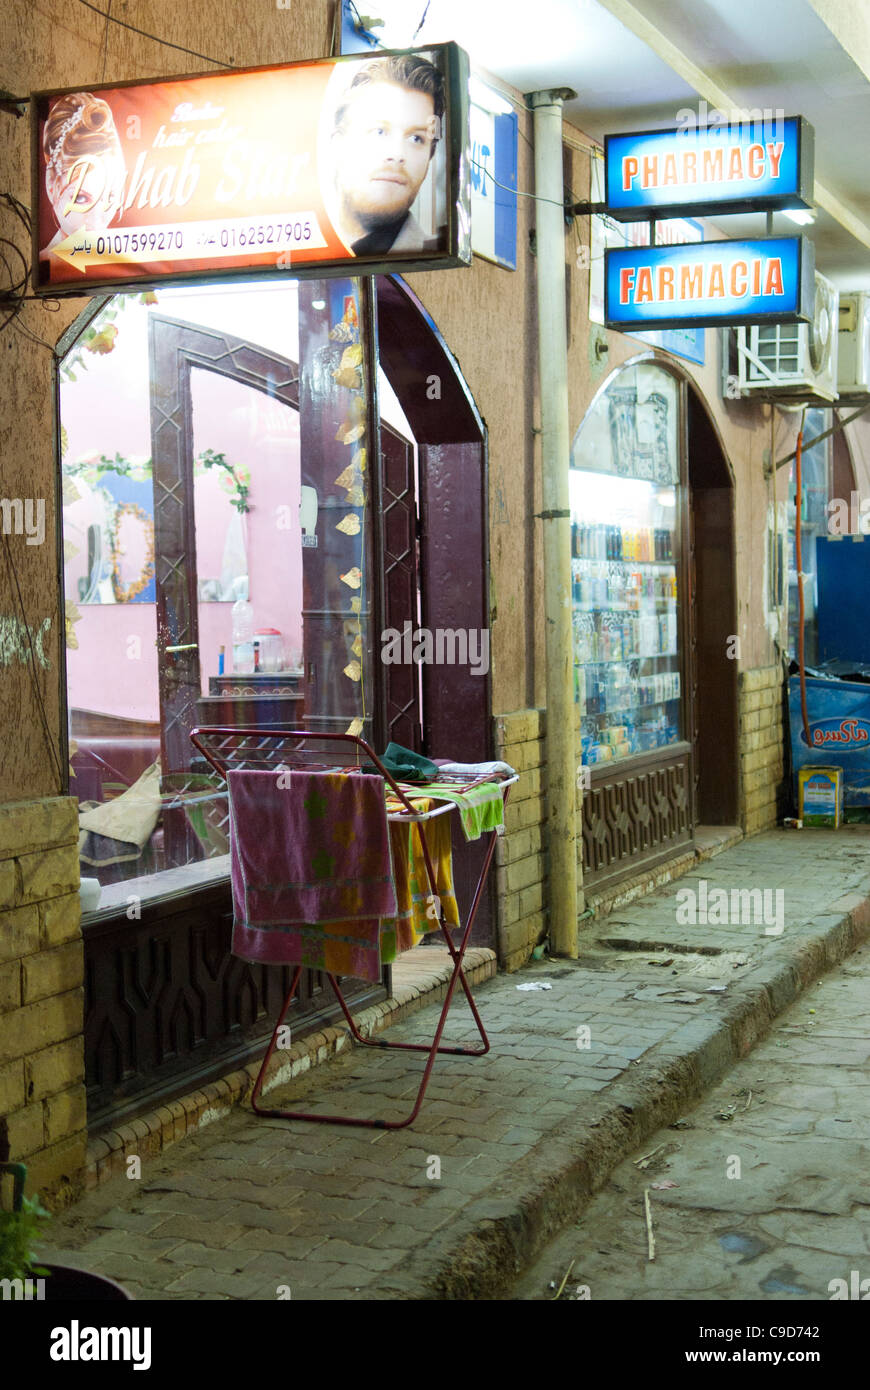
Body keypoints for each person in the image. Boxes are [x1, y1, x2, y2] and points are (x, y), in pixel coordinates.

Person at [330, 54, 445, 256]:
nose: (397, 154)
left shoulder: (434, 269)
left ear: (430, 155)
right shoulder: (290, 245)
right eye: (379, 131)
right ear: (339, 144)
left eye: (416, 138)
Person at [40, 91, 126, 259]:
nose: (96, 221)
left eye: (110, 197)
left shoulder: (126, 268)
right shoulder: (47, 270)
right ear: (51, 184)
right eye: (80, 198)